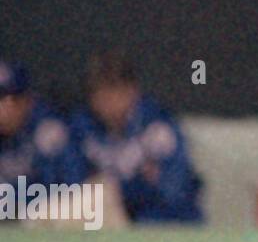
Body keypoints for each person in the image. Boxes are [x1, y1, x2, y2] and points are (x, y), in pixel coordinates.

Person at [67, 51, 203, 224]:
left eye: (115, 90)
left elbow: (173, 190)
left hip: (165, 220)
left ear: (133, 91)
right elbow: (71, 181)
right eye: (100, 92)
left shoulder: (157, 126)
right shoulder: (82, 126)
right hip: (108, 219)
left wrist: (121, 189)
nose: (108, 101)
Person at [0, 59, 76, 196]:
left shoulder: (48, 129)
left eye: (10, 100)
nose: (3, 110)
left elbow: (70, 187)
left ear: (26, 100)